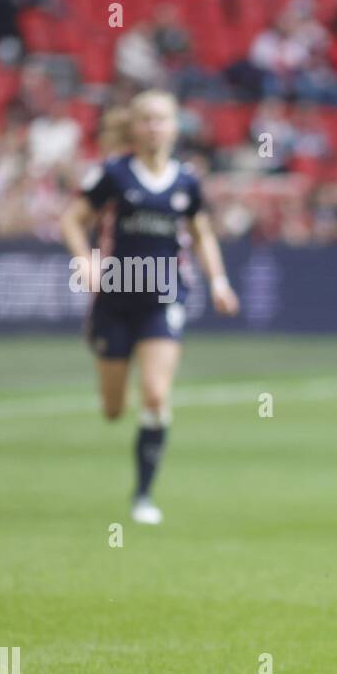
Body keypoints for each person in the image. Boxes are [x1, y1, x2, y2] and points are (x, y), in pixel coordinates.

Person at [59, 90, 239, 525]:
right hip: (114, 301)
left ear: (175, 126)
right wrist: (83, 258)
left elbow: (201, 234)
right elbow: (72, 219)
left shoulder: (186, 181)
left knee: (156, 395)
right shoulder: (114, 174)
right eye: (147, 120)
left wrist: (218, 281)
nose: (155, 127)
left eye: (162, 119)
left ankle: (143, 496)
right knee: (113, 408)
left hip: (164, 298)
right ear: (134, 127)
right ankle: (114, 363)